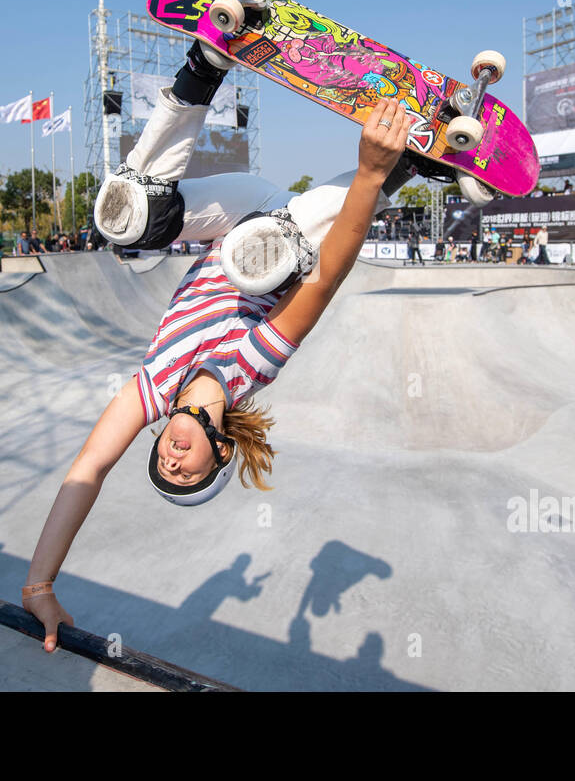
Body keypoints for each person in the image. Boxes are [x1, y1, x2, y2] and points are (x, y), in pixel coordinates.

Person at [21, 45, 414, 651]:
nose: (170, 463)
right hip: (287, 237)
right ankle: (408, 168)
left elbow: (89, 470)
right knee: (257, 259)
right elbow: (327, 276)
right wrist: (370, 174)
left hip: (237, 208)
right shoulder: (255, 366)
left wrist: (39, 585)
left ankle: (203, 66)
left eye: (162, 468)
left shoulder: (153, 388)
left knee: (128, 219)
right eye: (186, 474)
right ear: (221, 449)